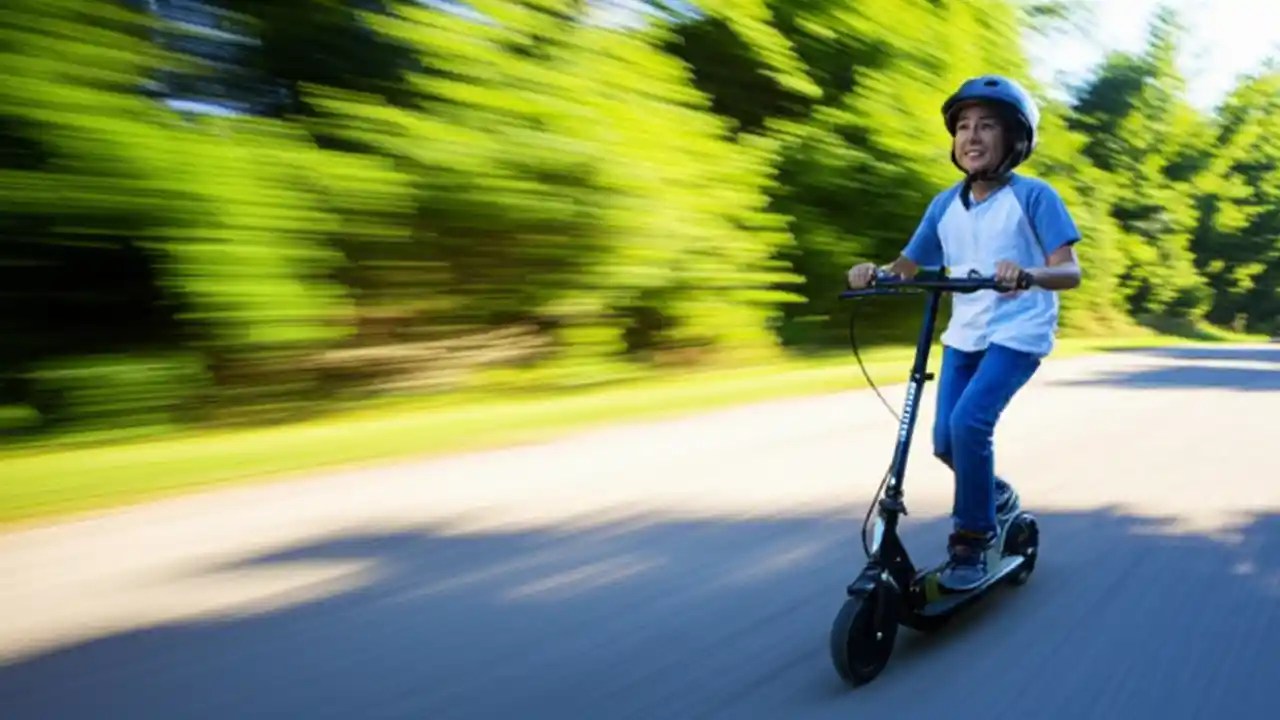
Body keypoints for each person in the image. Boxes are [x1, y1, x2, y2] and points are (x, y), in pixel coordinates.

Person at [846, 75, 1083, 591]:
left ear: (1015, 140)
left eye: (987, 126)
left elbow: (1069, 272)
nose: (971, 137)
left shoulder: (1035, 197)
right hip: (965, 334)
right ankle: (993, 494)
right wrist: (874, 273)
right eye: (963, 127)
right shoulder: (944, 205)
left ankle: (972, 538)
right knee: (944, 440)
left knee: (972, 424)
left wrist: (1028, 274)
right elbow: (909, 264)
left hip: (1018, 333)